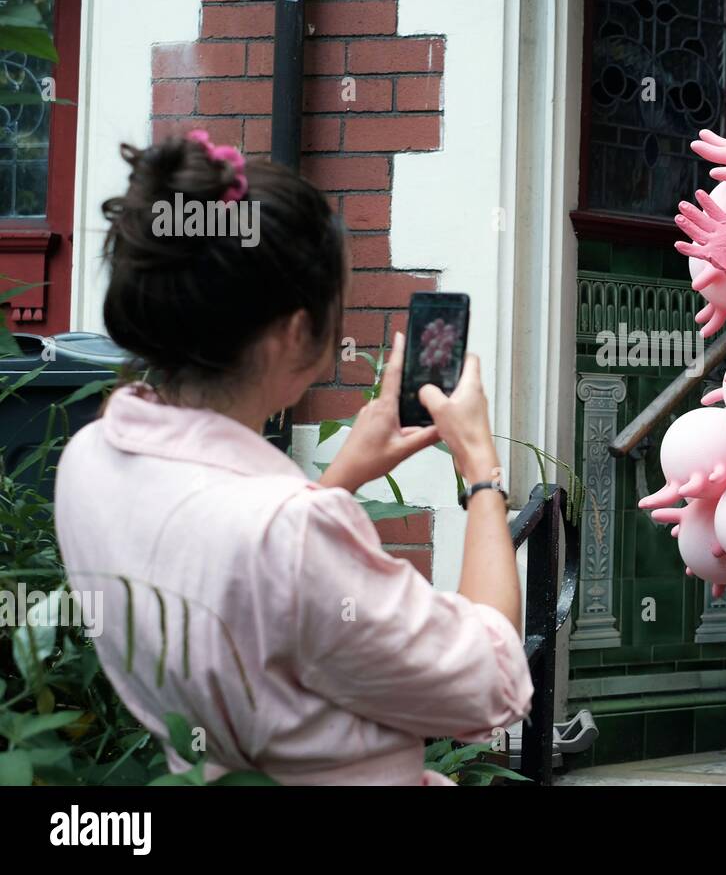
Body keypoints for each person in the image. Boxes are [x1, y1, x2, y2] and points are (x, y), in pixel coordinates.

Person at [54, 132, 530, 785]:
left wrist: (340, 480)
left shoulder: (88, 459)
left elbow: (256, 591)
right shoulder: (289, 534)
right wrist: (481, 471)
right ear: (296, 330)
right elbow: (490, 680)